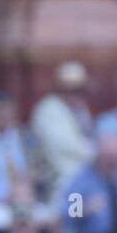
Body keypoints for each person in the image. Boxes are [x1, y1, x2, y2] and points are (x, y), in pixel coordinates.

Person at [31, 61, 96, 193]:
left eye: (79, 90)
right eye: (71, 90)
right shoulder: (49, 109)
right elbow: (69, 146)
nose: (76, 95)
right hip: (58, 181)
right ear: (60, 89)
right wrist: (99, 152)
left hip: (85, 174)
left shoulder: (81, 110)